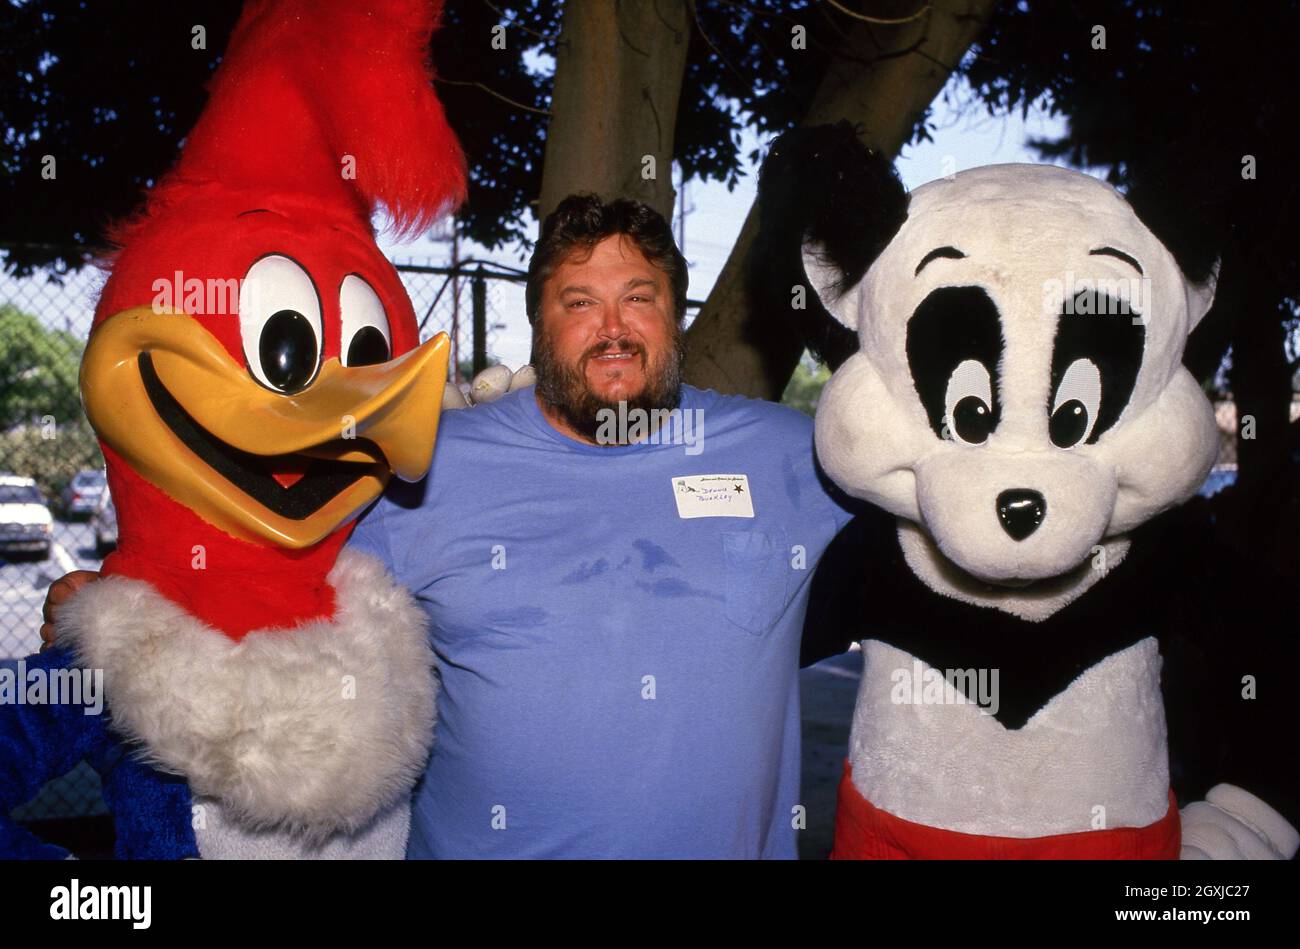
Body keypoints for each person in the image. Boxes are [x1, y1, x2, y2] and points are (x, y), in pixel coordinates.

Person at [42, 193, 858, 859]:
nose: (614, 327)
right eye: (580, 303)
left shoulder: (787, 454)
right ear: (540, 322)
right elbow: (270, 574)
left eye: (639, 298)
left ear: (674, 315)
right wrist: (127, 603)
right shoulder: (430, 465)